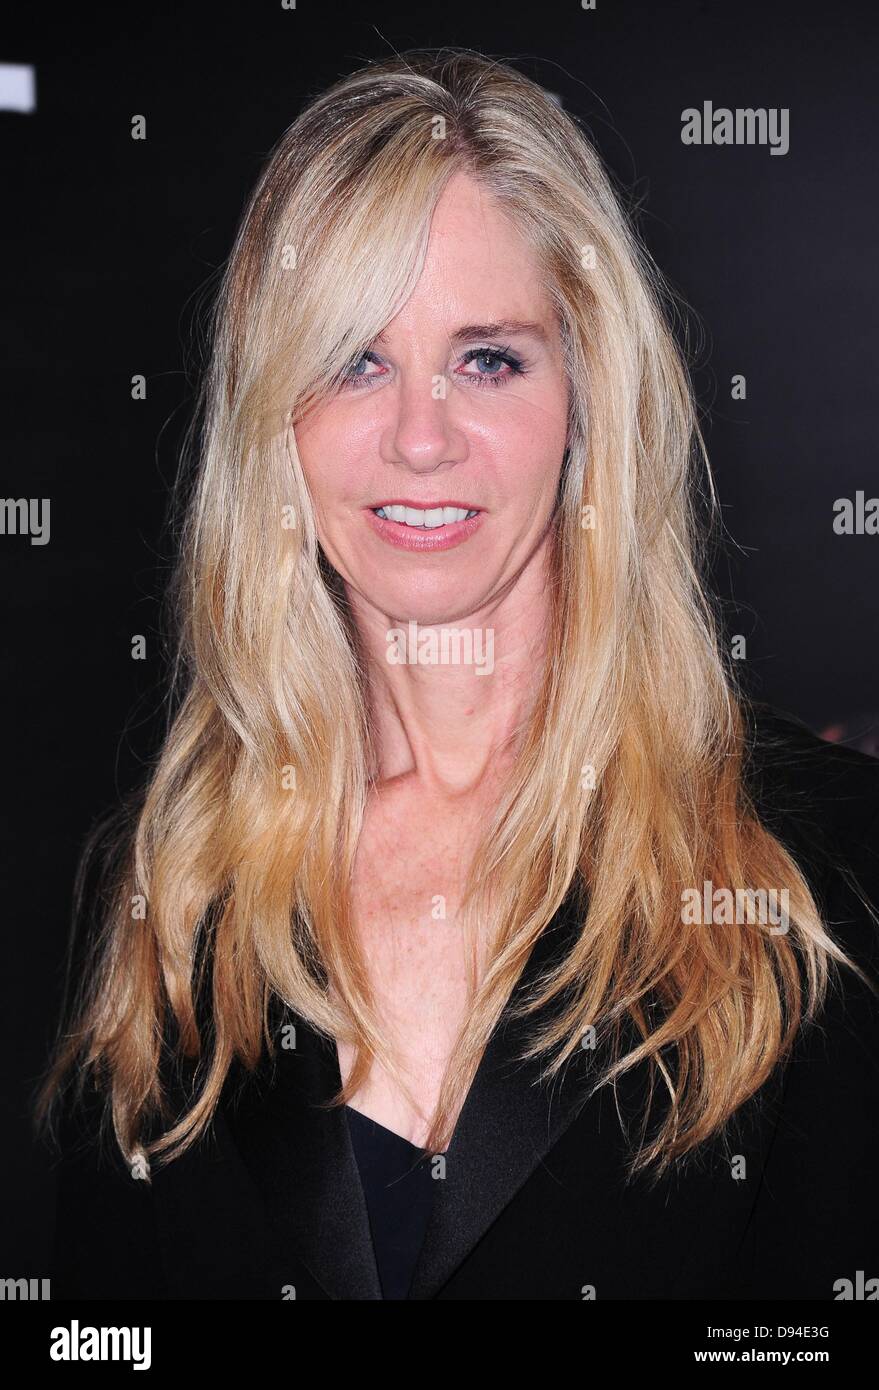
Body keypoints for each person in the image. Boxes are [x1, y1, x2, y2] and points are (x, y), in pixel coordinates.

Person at [37, 47, 879, 1301]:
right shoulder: (173, 892)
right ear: (277, 418)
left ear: (588, 396)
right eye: (354, 361)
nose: (420, 436)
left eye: (488, 358)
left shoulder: (819, 865)